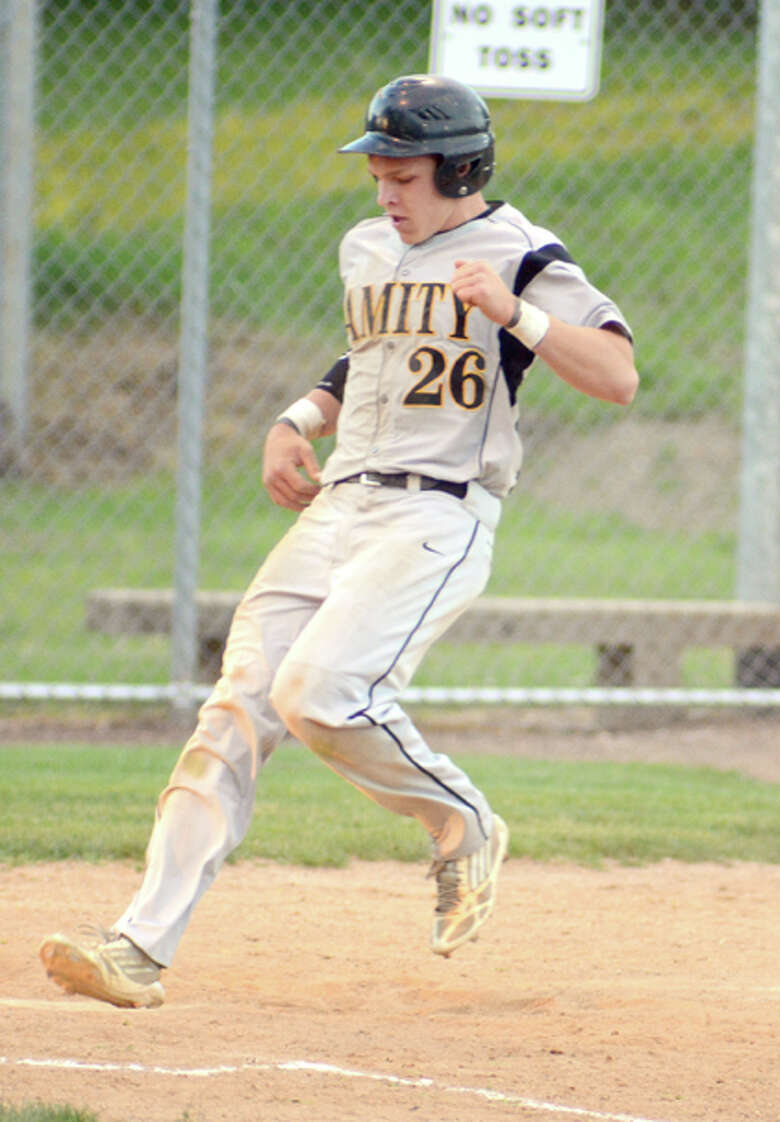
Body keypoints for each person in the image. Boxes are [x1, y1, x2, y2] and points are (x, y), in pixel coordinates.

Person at [39, 74, 638, 1008]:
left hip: (436, 515)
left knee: (318, 694)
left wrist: (515, 313)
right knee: (236, 708)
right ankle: (138, 945)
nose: (385, 193)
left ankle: (464, 820)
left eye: (403, 176)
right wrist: (296, 420)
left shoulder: (521, 253)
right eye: (378, 176)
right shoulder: (368, 247)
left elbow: (617, 374)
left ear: (461, 169)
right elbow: (369, 356)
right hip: (341, 505)